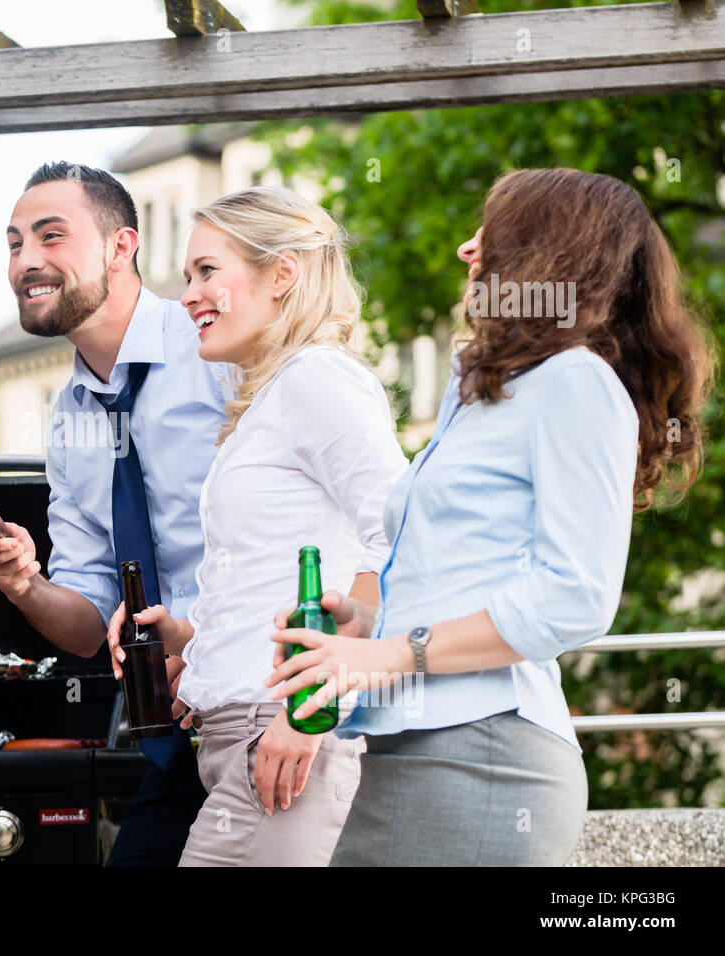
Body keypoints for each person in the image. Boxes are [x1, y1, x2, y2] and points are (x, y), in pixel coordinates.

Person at [268, 167, 715, 865]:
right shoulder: (485, 396)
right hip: (416, 750)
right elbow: (461, 579)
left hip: (483, 759)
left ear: (545, 255)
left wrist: (383, 654)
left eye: (492, 233)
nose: (467, 250)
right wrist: (359, 628)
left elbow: (575, 596)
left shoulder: (577, 382)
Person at [104, 187, 408, 865]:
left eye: (208, 270)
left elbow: (407, 540)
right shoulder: (268, 399)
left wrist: (312, 705)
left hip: (283, 740)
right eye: (187, 277)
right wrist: (188, 638)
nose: (188, 295)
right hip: (237, 738)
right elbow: (274, 575)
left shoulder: (319, 378)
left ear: (282, 274)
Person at [0, 162, 230, 865]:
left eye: (51, 237)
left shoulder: (215, 350)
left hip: (272, 706)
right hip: (181, 733)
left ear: (122, 248)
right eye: (14, 242)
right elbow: (88, 626)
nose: (27, 261)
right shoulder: (66, 421)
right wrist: (24, 583)